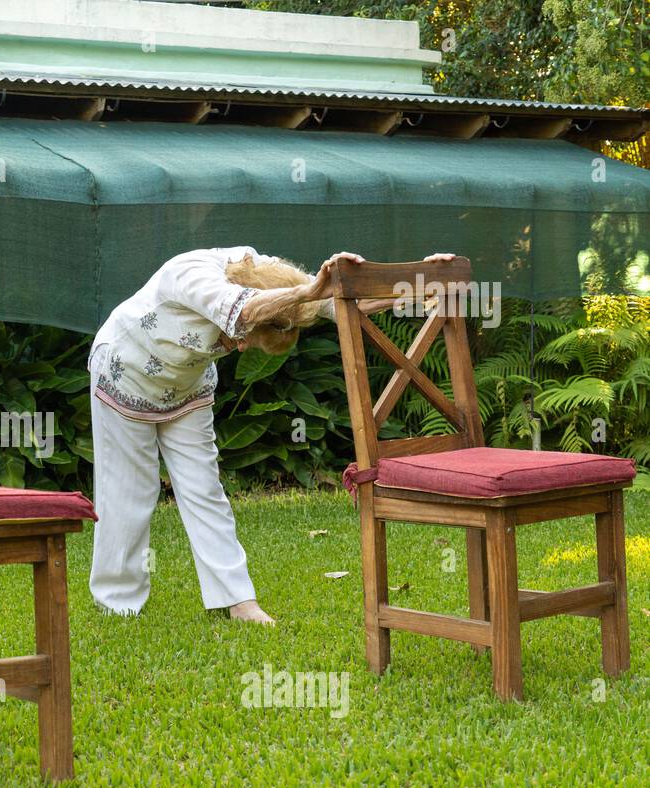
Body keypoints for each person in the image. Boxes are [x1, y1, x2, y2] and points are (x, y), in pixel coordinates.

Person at [87, 246, 454, 623]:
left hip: (187, 386)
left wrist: (416, 285)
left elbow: (336, 304)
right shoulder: (194, 274)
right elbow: (247, 311)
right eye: (245, 339)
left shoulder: (269, 280)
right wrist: (307, 291)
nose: (241, 345)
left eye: (245, 340)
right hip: (125, 372)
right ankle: (118, 603)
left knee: (205, 490)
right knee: (131, 492)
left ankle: (238, 601)